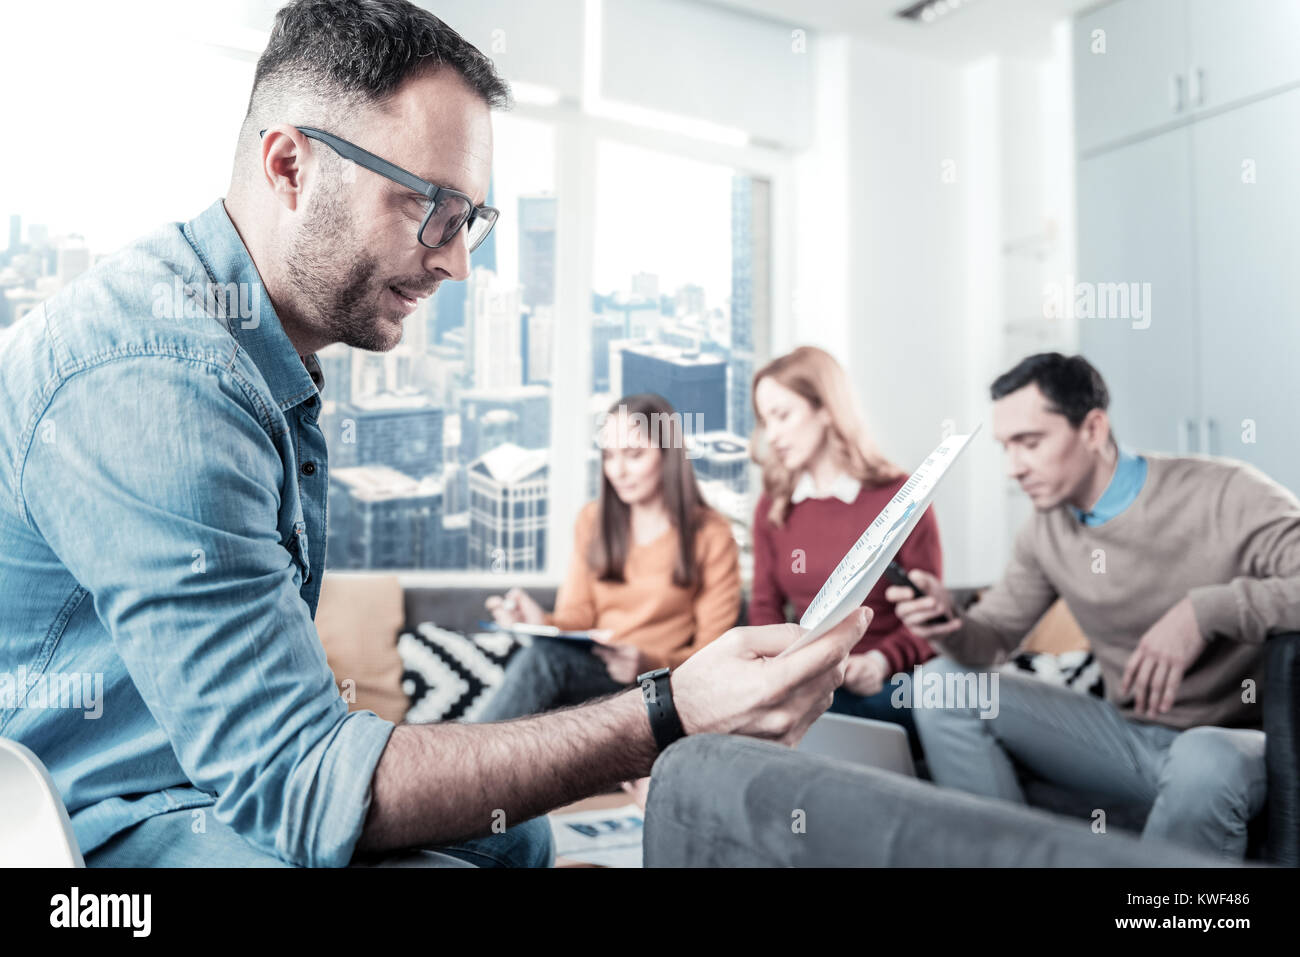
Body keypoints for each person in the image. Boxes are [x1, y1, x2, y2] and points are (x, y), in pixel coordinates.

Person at [0, 0, 870, 869]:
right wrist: (668, 713)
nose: (455, 261)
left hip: (204, 779)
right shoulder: (161, 381)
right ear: (290, 165)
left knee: (515, 838)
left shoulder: (260, 359)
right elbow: (298, 778)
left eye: (470, 221)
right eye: (430, 205)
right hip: (93, 821)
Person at [890, 352, 1300, 859]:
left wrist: (1205, 611)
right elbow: (991, 638)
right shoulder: (1046, 529)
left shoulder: (1227, 493)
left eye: (1030, 443)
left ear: (1092, 428)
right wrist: (947, 622)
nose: (1013, 467)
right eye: (1006, 447)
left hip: (1235, 744)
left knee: (1203, 757)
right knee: (941, 683)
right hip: (1126, 739)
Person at [479, 393, 742, 721]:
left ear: (668, 455)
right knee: (543, 657)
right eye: (609, 456)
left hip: (658, 686)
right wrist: (541, 622)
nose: (617, 471)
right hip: (594, 672)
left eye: (634, 455)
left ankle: (462, 764)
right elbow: (578, 614)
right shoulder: (593, 518)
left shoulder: (711, 534)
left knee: (542, 662)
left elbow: (712, 656)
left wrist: (648, 662)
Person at [748, 346, 943, 750]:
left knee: (800, 716)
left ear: (825, 409)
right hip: (808, 678)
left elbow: (930, 623)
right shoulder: (774, 506)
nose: (773, 435)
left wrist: (879, 662)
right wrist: (780, 670)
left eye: (782, 416)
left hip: (888, 682)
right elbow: (764, 610)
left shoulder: (901, 497)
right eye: (766, 421)